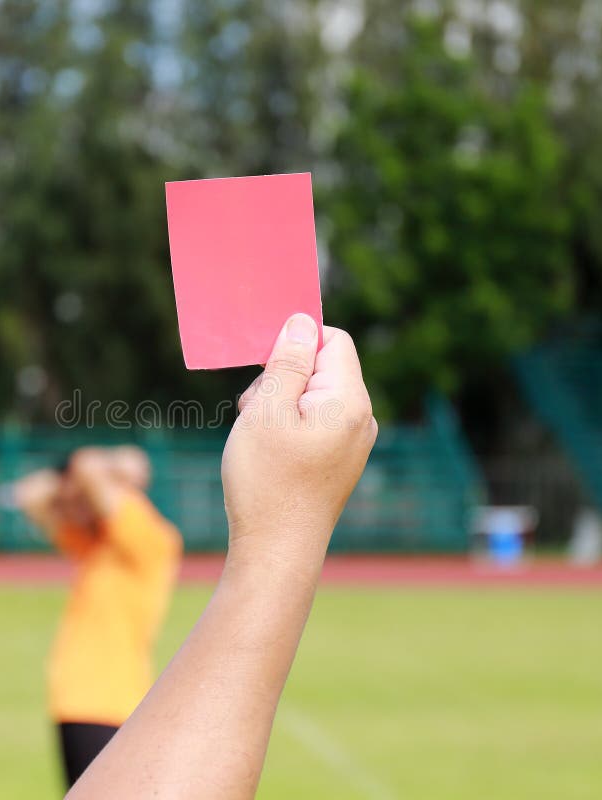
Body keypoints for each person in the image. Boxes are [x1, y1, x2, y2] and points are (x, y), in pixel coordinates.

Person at [66, 313, 377, 799]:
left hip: (104, 696)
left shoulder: (143, 532)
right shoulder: (107, 537)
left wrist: (279, 534)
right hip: (93, 695)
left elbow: (80, 470)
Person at [13, 445, 182, 790]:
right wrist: (75, 483)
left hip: (105, 702)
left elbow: (87, 466)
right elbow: (28, 493)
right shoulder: (98, 545)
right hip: (85, 703)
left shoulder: (144, 533)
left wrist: (111, 467)